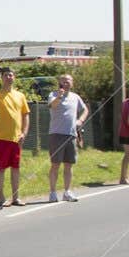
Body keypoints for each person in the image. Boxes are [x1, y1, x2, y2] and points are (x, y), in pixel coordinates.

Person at [0, 67, 29, 207]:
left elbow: (25, 115)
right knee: (1, 168)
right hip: (1, 138)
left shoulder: (20, 96)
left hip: (16, 138)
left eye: (11, 75)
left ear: (14, 77)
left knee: (16, 168)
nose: (9, 77)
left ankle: (16, 197)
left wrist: (24, 132)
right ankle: (1, 198)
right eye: (6, 75)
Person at [46, 73, 87, 202]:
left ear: (72, 83)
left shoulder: (76, 97)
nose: (66, 83)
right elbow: (52, 105)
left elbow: (85, 109)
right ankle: (52, 193)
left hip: (71, 135)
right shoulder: (53, 95)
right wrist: (59, 96)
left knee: (69, 165)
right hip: (56, 134)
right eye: (63, 81)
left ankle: (67, 191)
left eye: (68, 81)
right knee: (55, 165)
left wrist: (80, 120)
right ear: (59, 83)